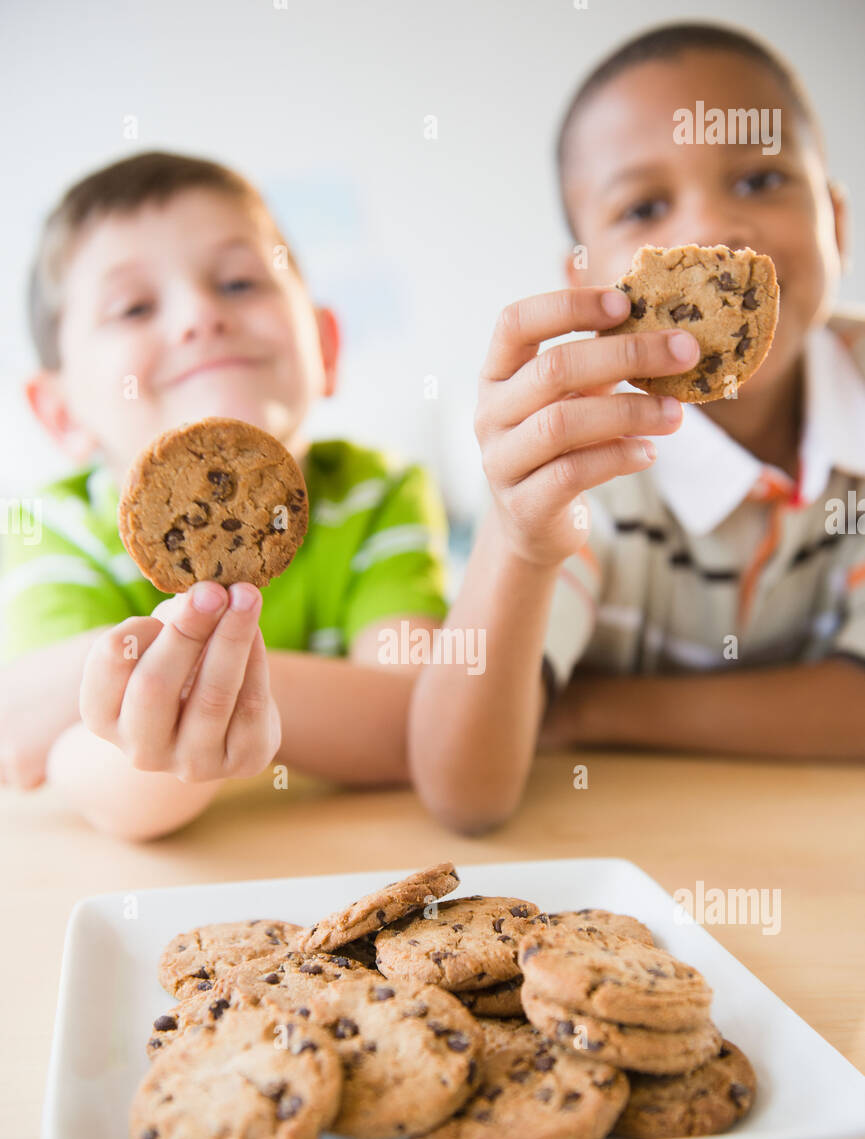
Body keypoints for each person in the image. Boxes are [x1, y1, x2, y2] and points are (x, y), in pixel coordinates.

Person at [409, 21, 865, 834]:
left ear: (833, 221)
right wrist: (519, 540)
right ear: (584, 278)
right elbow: (462, 793)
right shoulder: (580, 461)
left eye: (760, 181)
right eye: (645, 206)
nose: (710, 232)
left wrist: (586, 711)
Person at [0, 151, 448, 838]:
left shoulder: (380, 495)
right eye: (134, 306)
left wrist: (131, 670)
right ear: (60, 412)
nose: (200, 316)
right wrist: (170, 739)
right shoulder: (50, 529)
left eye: (239, 283)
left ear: (325, 346)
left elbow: (418, 722)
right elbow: (66, 760)